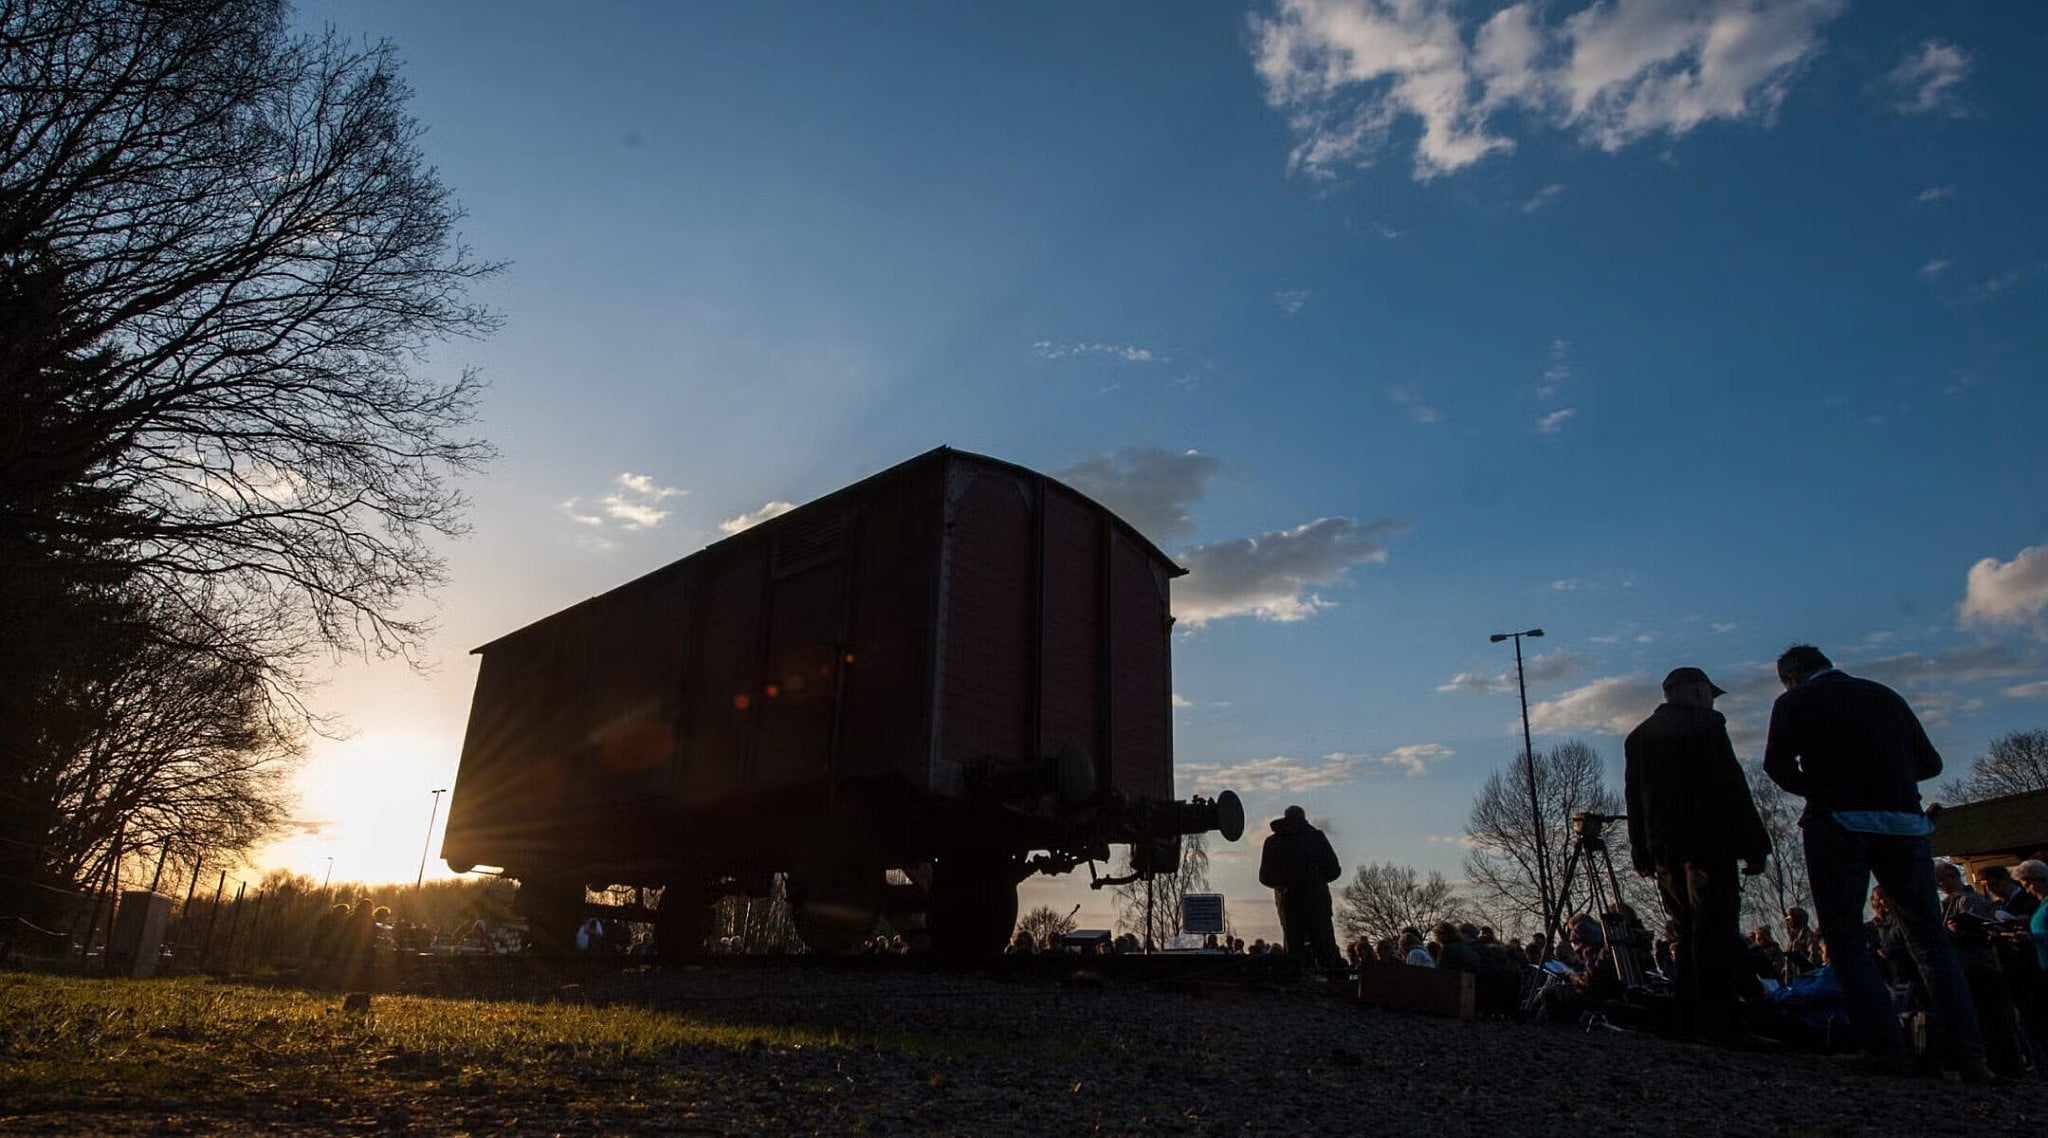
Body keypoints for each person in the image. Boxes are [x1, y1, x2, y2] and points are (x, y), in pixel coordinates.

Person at [1762, 644, 1992, 1082]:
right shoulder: (1884, 695)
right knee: (1929, 939)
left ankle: (1884, 1046)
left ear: (1791, 675)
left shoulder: (1795, 701)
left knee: (1846, 935)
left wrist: (1818, 790)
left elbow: (1776, 764)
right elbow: (1930, 762)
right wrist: (1890, 778)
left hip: (1841, 822)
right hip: (1905, 824)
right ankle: (1971, 1055)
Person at [1624, 665, 1771, 1042]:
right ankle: (1719, 1021)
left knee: (1686, 930)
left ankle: (1687, 1017)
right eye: (1707, 693)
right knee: (1715, 930)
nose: (1710, 701)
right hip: (1709, 843)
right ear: (1694, 691)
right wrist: (1755, 845)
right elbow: (1731, 785)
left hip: (1664, 849)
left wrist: (1641, 850)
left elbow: (1635, 799)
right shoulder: (1707, 727)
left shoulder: (1639, 737)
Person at [1257, 804, 1344, 970]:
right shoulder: (1316, 837)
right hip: (1317, 902)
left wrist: (1285, 884)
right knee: (1324, 949)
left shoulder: (1273, 842)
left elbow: (1265, 877)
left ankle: (1297, 984)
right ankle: (1331, 978)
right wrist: (1315, 880)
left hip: (1290, 903)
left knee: (1294, 952)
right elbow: (1334, 870)